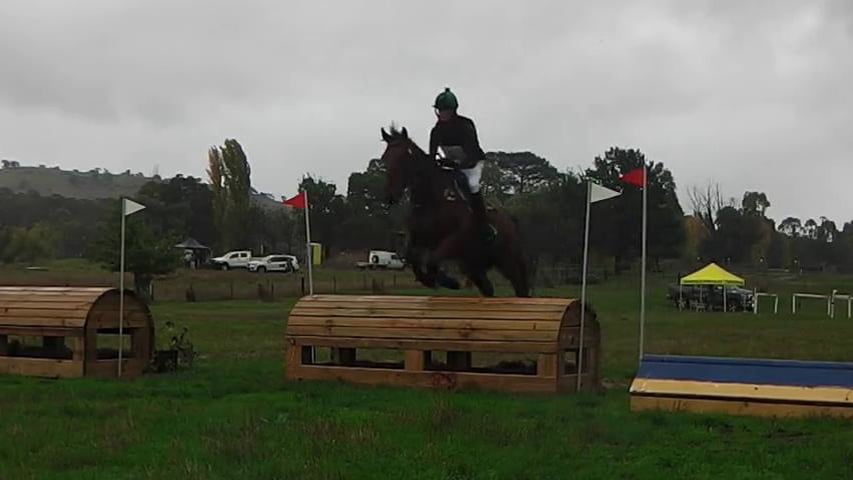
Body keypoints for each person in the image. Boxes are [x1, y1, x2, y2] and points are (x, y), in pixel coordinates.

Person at [428, 87, 496, 243]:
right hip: (452, 165)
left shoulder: (465, 126)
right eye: (440, 110)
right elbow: (431, 155)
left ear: (453, 111)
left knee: (472, 185)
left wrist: (456, 165)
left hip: (472, 164)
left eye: (445, 111)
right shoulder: (436, 131)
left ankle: (484, 225)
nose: (442, 114)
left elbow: (471, 154)